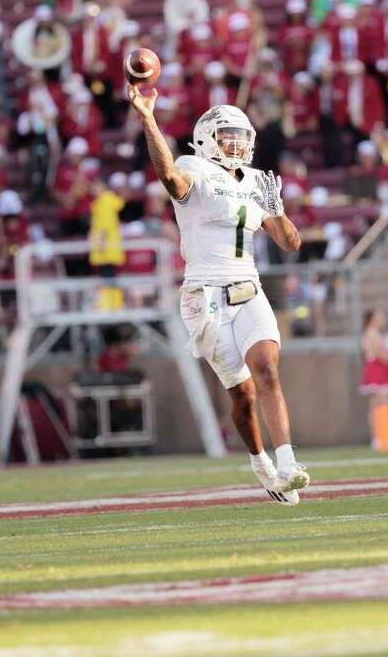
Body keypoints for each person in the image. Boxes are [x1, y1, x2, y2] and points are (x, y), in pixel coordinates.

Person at [128, 86, 309, 504]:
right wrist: (148, 119)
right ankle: (260, 461)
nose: (237, 143)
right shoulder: (195, 166)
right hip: (204, 293)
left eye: (243, 137)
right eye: (229, 135)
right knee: (242, 395)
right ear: (208, 137)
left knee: (267, 370)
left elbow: (290, 244)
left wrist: (278, 209)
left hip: (249, 288)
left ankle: (287, 463)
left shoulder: (257, 181)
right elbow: (169, 176)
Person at [359, 309, 388, 450]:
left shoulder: (375, 333)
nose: (382, 319)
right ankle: (381, 438)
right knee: (380, 404)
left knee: (381, 405)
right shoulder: (371, 332)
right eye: (379, 317)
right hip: (376, 370)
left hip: (379, 370)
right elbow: (383, 354)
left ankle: (384, 437)